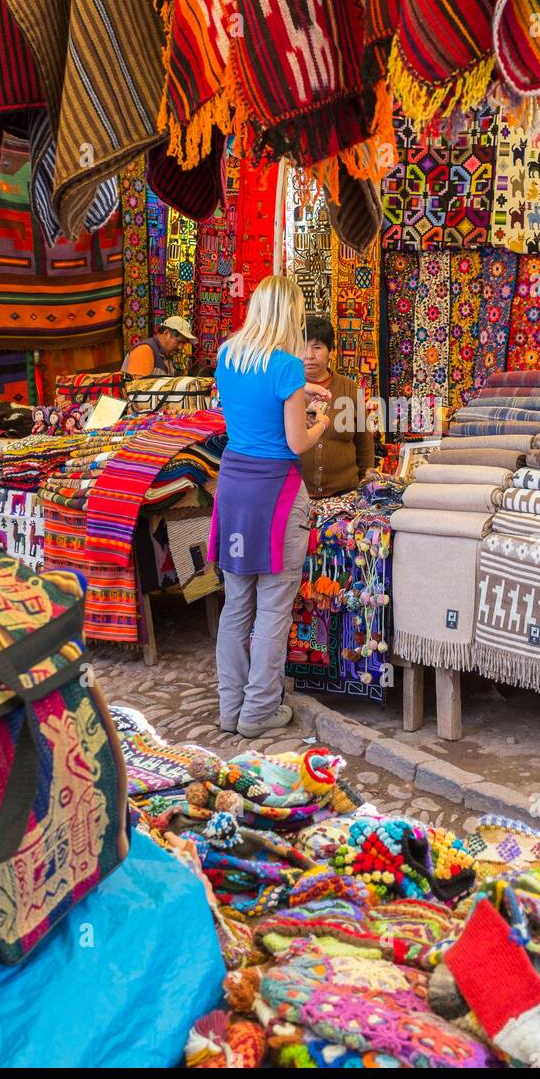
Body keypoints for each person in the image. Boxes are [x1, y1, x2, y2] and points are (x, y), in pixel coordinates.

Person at [212, 276, 331, 737]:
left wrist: (303, 395)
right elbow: (295, 441)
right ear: (290, 315)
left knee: (237, 603)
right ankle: (259, 710)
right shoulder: (286, 367)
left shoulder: (229, 354)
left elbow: (253, 409)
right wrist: (320, 419)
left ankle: (230, 707)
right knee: (273, 608)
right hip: (276, 490)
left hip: (235, 483)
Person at [301, 316, 376, 498]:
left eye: (317, 347)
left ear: (331, 352)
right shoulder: (285, 390)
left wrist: (366, 481)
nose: (309, 355)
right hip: (297, 496)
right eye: (302, 347)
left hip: (345, 493)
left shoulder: (349, 389)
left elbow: (363, 440)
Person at [121, 316, 196, 375]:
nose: (181, 347)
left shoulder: (166, 357)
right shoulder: (145, 351)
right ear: (166, 333)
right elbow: (136, 389)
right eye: (180, 342)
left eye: (184, 344)